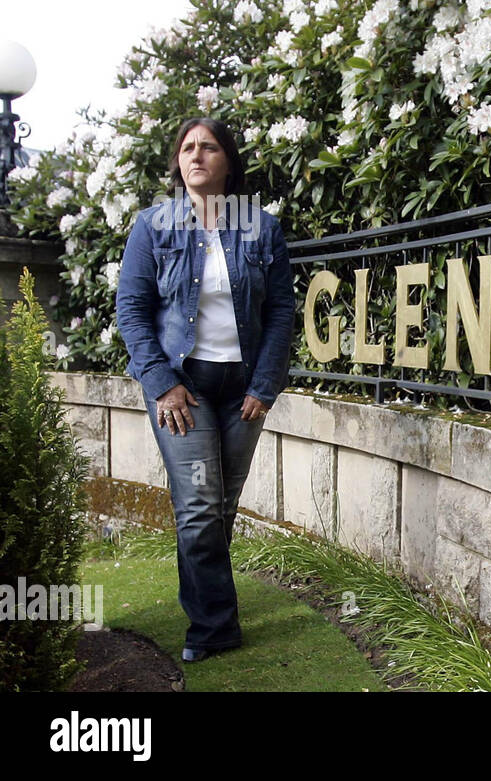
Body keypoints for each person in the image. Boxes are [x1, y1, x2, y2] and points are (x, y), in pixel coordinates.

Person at [115, 117, 294, 663]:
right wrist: (161, 383)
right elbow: (132, 310)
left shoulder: (259, 229)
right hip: (183, 391)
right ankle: (214, 628)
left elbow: (282, 311)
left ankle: (205, 604)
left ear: (228, 162)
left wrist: (265, 385)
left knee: (220, 509)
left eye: (209, 147)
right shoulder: (154, 226)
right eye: (187, 148)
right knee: (198, 507)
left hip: (242, 393)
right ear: (178, 162)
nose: (196, 155)